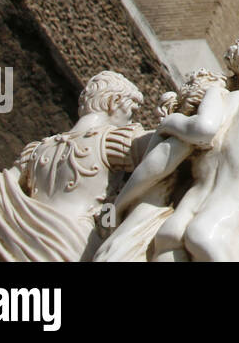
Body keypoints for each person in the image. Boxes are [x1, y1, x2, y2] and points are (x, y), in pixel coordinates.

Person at [105, 27, 239, 261]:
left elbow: (161, 162)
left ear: (238, 59)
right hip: (218, 230)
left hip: (175, 224)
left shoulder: (217, 97)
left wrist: (119, 204)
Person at [0, 72, 145, 262]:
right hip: (69, 244)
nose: (131, 121)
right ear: (114, 102)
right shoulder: (112, 142)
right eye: (132, 113)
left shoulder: (36, 149)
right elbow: (161, 146)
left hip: (14, 239)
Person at [95, 68, 229, 262]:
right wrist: (116, 208)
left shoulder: (203, 143)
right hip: (144, 220)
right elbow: (151, 171)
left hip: (168, 225)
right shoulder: (177, 128)